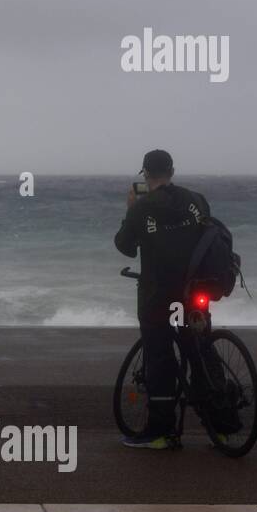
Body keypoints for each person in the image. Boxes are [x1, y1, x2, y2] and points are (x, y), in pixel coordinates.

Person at [113, 149, 211, 449]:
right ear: (172, 171)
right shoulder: (197, 199)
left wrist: (130, 207)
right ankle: (222, 424)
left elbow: (125, 246)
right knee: (202, 352)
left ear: (145, 173)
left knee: (159, 357)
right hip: (195, 292)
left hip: (160, 297)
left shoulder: (142, 207)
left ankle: (160, 431)